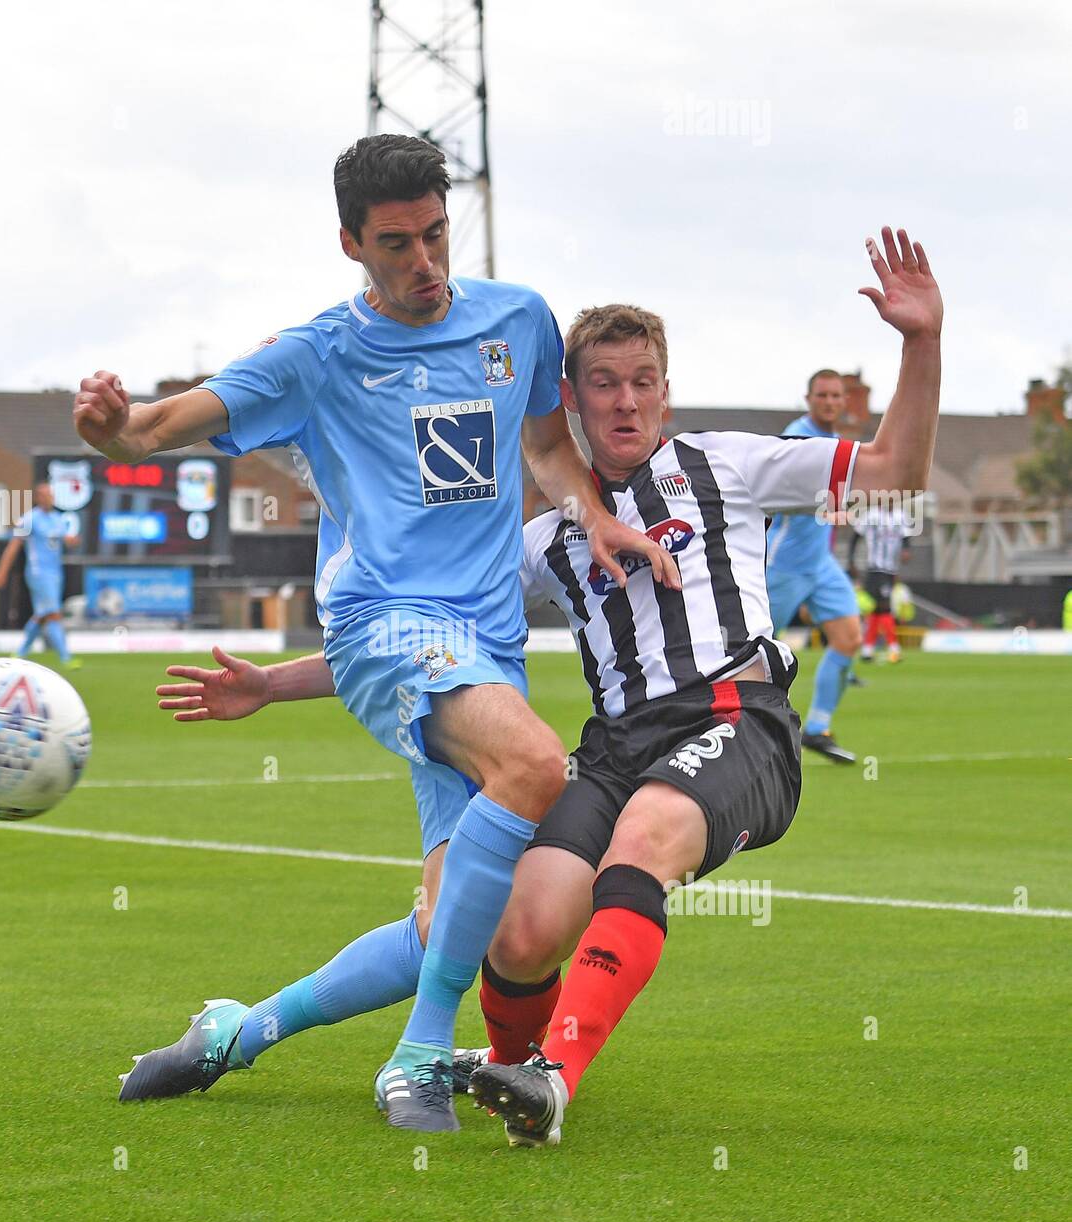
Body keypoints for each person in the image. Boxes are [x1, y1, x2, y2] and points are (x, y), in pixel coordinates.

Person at [160, 228, 943, 1148]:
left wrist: (920, 342)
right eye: (603, 383)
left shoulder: (724, 465)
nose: (626, 400)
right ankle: (501, 1070)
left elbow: (897, 471)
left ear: (666, 389)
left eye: (643, 380)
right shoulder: (540, 541)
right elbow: (426, 644)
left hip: (737, 717)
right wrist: (271, 685)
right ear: (568, 399)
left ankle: (553, 1078)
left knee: (645, 839)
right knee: (517, 928)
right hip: (614, 746)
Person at [80, 134, 674, 1132]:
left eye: (437, 236)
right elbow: (159, 425)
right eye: (396, 244)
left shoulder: (516, 319)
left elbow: (543, 447)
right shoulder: (319, 355)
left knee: (453, 919)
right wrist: (115, 428)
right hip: (382, 625)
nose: (425, 264)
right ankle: (417, 1053)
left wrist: (591, 510)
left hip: (483, 649)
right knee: (536, 766)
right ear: (351, 242)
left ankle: (238, 1029)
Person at [764, 370, 864, 762]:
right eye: (822, 395)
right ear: (809, 398)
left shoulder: (838, 443)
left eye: (836, 395)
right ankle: (729, 731)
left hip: (820, 564)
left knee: (850, 638)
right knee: (752, 653)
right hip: (783, 564)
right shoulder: (796, 437)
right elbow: (771, 495)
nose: (829, 401)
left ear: (843, 401)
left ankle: (818, 728)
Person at [0, 483, 80, 668]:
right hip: (39, 573)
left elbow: (66, 540)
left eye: (51, 494)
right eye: (46, 495)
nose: (50, 498)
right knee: (54, 614)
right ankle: (66, 658)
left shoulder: (58, 519)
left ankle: (20, 653)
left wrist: (72, 541)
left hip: (56, 573)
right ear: (38, 498)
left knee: (41, 615)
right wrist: (2, 572)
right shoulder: (29, 519)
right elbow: (14, 546)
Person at [855, 502, 914, 662]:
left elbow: (906, 537)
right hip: (875, 568)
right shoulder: (871, 514)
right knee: (885, 608)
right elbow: (856, 536)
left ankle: (867, 650)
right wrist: (852, 563)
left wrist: (906, 551)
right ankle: (894, 649)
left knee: (876, 610)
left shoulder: (900, 515)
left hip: (890, 570)